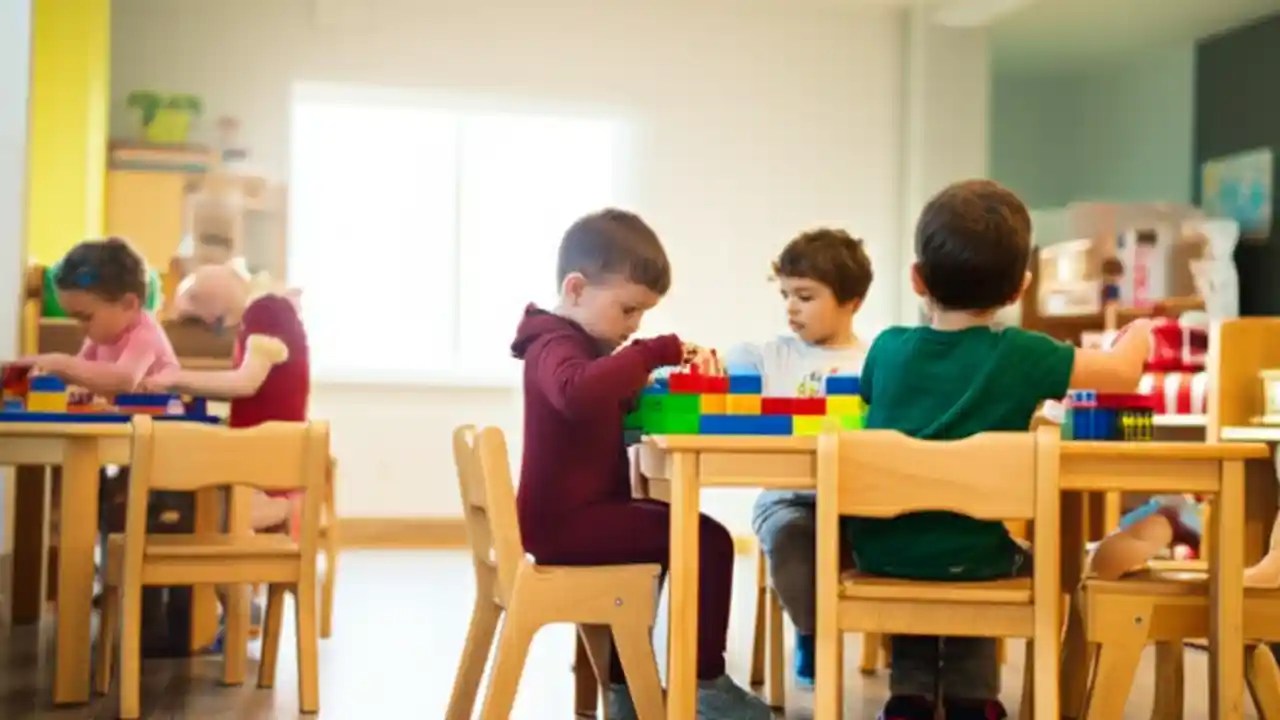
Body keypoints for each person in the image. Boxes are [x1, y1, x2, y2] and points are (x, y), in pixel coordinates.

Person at [849, 180, 1151, 720]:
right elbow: (1124, 372)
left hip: (883, 551)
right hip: (975, 557)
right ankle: (971, 697)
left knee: (925, 547)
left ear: (917, 279)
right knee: (992, 553)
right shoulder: (1024, 354)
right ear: (1019, 290)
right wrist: (1141, 332)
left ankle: (911, 695)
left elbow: (868, 402)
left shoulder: (887, 348)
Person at [510, 208, 771, 719]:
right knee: (708, 541)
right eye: (628, 310)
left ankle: (627, 689)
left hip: (574, 517)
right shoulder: (554, 345)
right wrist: (655, 351)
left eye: (643, 316)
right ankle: (705, 687)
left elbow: (596, 401)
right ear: (577, 289)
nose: (635, 327)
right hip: (566, 524)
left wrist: (647, 393)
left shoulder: (572, 345)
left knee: (676, 533)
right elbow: (578, 394)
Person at [727, 228, 873, 686]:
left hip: (860, 500)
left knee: (902, 535)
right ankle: (810, 633)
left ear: (852, 302)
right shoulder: (773, 356)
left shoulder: (873, 362)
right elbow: (735, 362)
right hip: (791, 496)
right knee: (789, 535)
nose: (791, 306)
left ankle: (908, 649)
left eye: (805, 296)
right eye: (787, 294)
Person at [22, 237, 178, 394]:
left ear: (128, 304)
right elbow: (82, 371)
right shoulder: (100, 337)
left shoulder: (145, 334)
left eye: (86, 317)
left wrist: (60, 364)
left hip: (159, 417)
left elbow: (124, 380)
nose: (80, 327)